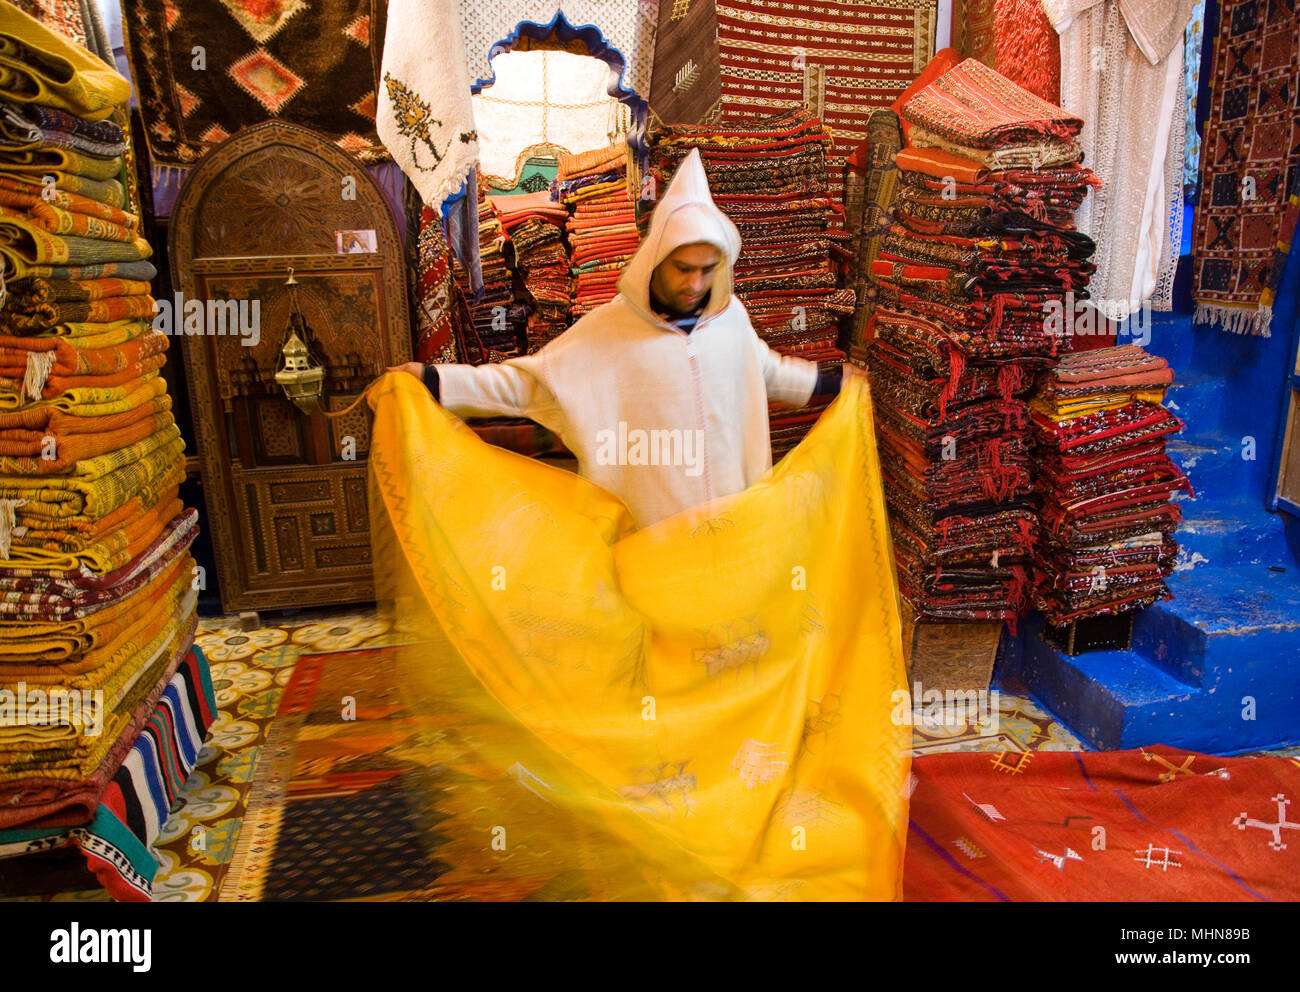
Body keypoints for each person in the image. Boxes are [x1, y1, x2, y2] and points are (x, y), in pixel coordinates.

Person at [388, 147, 865, 529]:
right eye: (682, 269)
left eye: (706, 271)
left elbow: (769, 374)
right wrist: (431, 380)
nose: (695, 284)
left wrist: (837, 382)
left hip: (735, 526)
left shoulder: (731, 320)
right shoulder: (607, 333)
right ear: (656, 260)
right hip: (651, 536)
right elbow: (523, 385)